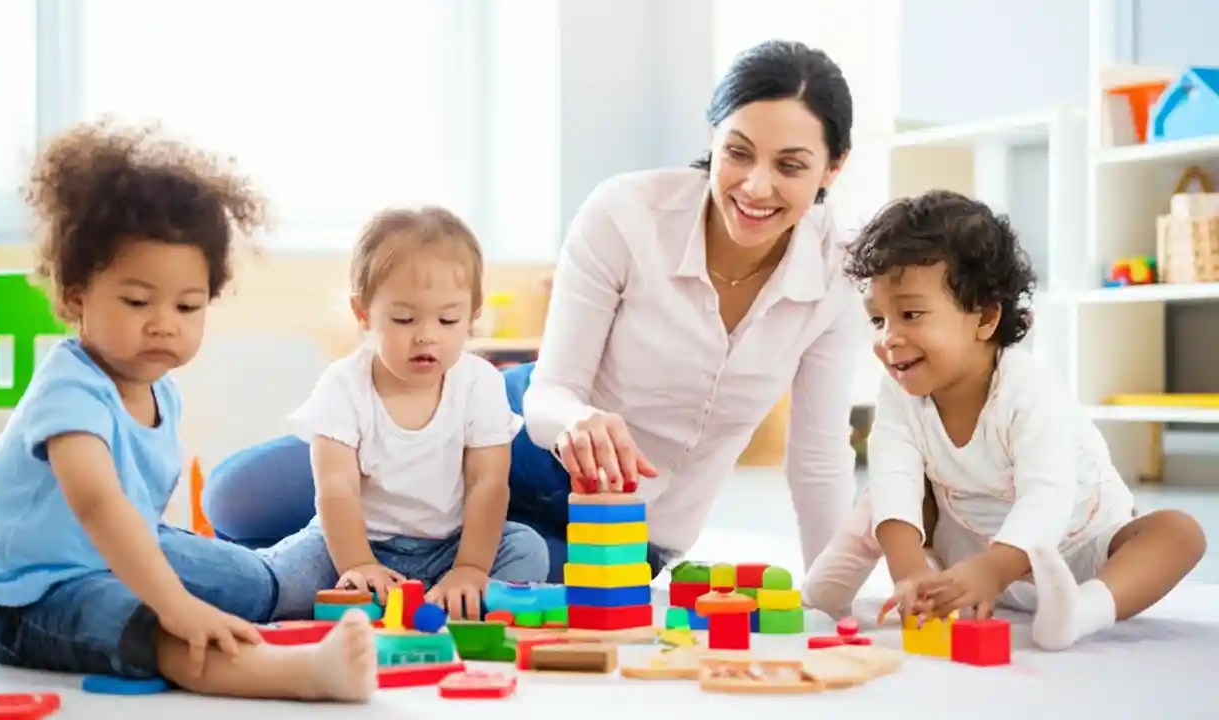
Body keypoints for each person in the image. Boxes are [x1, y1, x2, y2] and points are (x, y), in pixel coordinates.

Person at [203, 38, 866, 583]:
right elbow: (552, 389)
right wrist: (580, 421)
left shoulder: (838, 273)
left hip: (624, 524)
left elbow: (817, 457)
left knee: (501, 587)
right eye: (738, 152)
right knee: (236, 499)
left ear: (832, 168)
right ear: (714, 138)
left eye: (790, 165)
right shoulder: (628, 212)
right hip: (517, 437)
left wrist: (828, 602)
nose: (755, 185)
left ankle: (363, 560)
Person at [0, 120, 378, 703]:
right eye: (137, 301)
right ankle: (301, 675)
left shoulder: (160, 387)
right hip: (37, 594)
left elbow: (140, 517)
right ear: (77, 293)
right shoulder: (70, 391)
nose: (164, 322)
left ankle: (346, 553)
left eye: (187, 306)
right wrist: (177, 601)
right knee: (159, 624)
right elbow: (98, 503)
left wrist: (191, 579)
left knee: (245, 580)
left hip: (122, 551)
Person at [800, 190, 1207, 650]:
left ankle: (1083, 611)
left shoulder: (1027, 391)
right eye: (878, 321)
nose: (889, 339)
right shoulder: (901, 389)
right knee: (889, 495)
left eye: (911, 315)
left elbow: (1047, 496)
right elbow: (893, 479)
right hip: (971, 548)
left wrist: (995, 570)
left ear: (986, 318)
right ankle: (826, 594)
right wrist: (910, 573)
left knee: (1178, 533)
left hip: (1073, 551)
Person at [257, 207, 550, 621]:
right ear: (364, 314)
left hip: (450, 546)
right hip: (355, 540)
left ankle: (443, 599)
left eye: (448, 319)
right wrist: (357, 564)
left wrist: (470, 568)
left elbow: (488, 483)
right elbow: (337, 488)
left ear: (472, 318)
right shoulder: (343, 384)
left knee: (527, 549)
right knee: (280, 581)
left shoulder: (480, 382)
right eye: (404, 319)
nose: (427, 334)